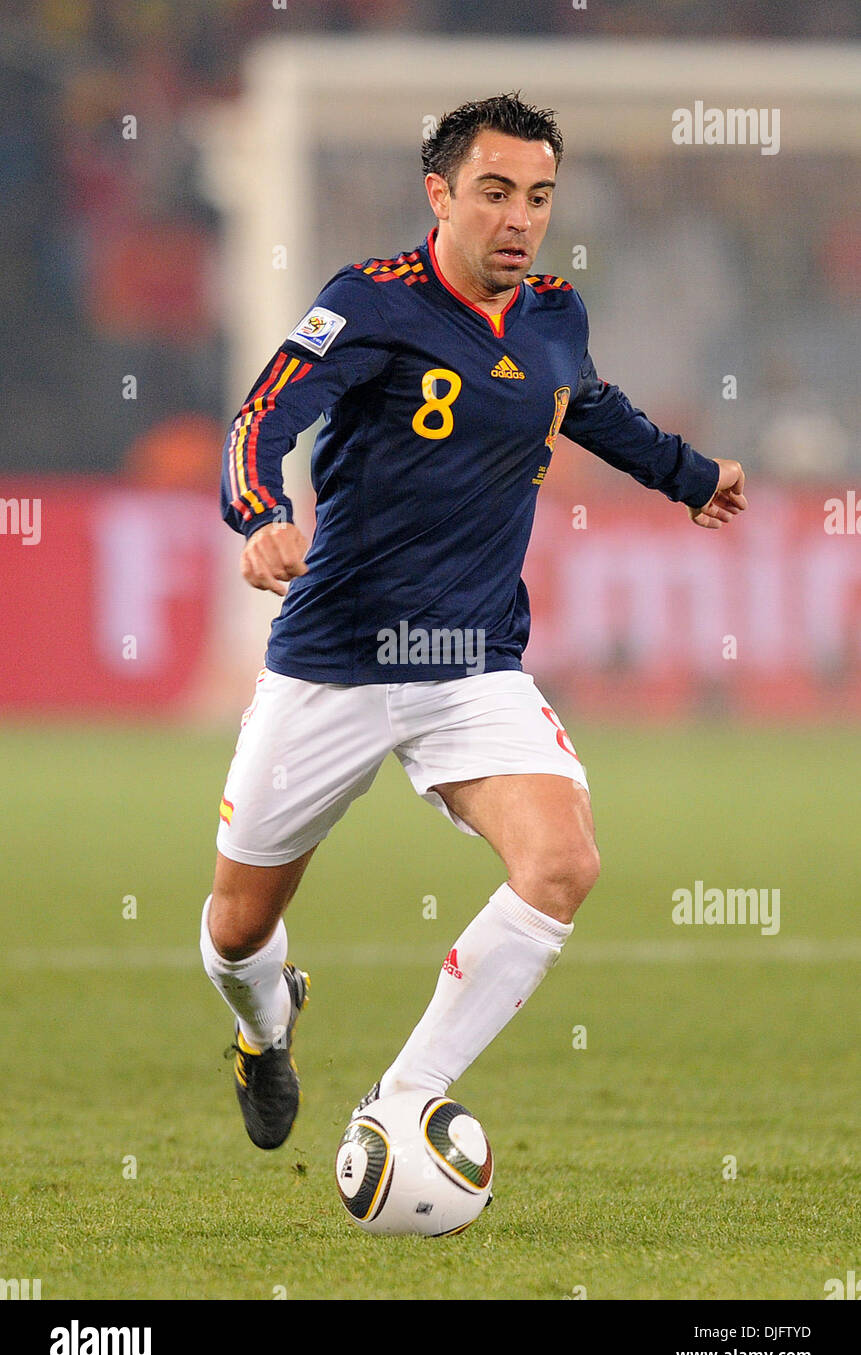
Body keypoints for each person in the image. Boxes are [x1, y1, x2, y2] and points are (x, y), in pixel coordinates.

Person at [200, 93, 747, 1149]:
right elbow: (265, 413)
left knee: (563, 862)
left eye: (539, 197)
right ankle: (266, 1025)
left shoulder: (554, 313)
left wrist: (684, 476)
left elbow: (586, 403)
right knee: (235, 932)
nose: (520, 219)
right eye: (495, 192)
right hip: (335, 663)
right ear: (439, 194)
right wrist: (262, 513)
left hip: (472, 663)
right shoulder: (370, 302)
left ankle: (402, 1102)